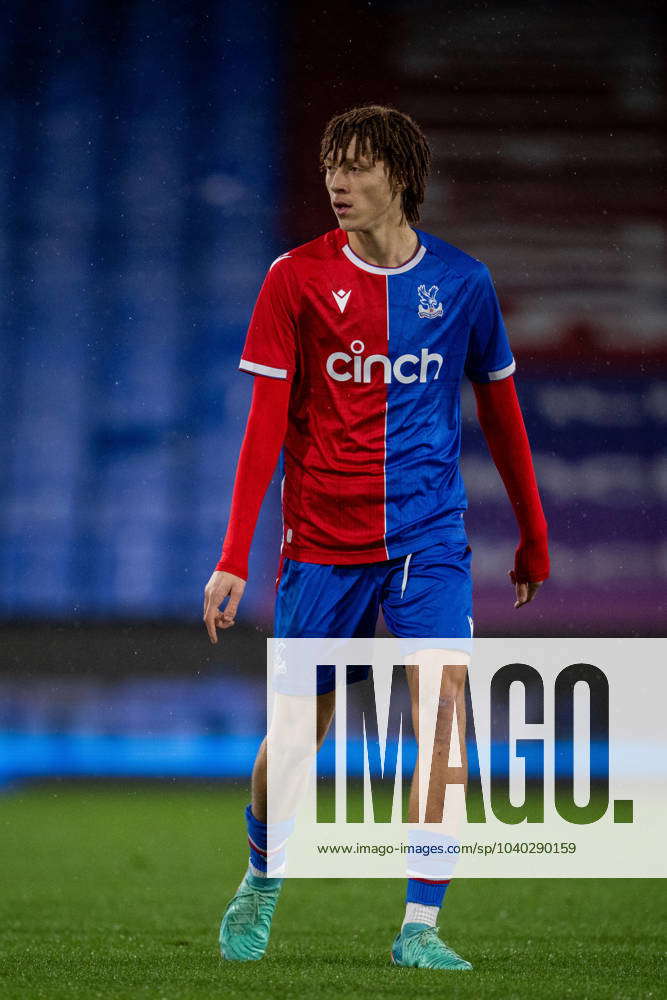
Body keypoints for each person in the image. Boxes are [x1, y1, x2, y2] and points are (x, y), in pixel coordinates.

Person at [203, 104, 549, 971]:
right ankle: (261, 878)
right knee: (295, 739)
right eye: (329, 165)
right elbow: (263, 424)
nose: (336, 181)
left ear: (399, 175)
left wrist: (534, 534)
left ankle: (419, 927)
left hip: (428, 543)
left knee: (440, 725)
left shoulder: (463, 283)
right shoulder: (294, 278)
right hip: (321, 545)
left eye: (355, 166)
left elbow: (501, 416)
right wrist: (233, 555)